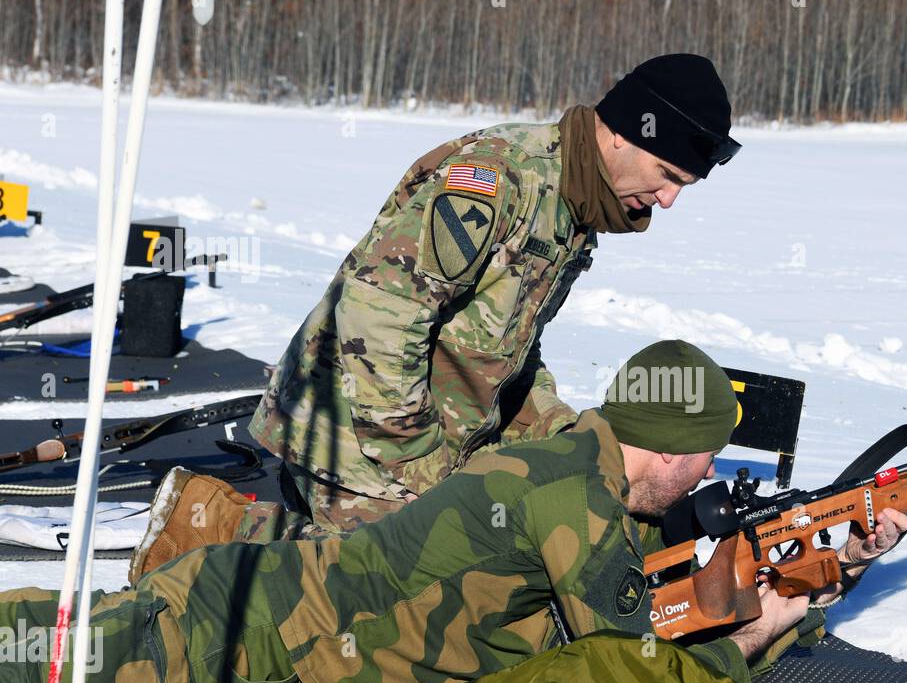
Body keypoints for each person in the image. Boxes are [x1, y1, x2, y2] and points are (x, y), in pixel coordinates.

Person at [0, 341, 907, 683]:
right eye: (708, 452)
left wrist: (822, 571)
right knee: (31, 681)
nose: (710, 475)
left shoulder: (580, 475)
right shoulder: (574, 504)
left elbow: (663, 598)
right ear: (670, 446)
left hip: (277, 625)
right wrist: (768, 620)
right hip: (246, 629)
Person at [129, 54, 743, 582]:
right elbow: (379, 316)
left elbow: (509, 349)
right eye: (668, 176)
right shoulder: (499, 181)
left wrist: (564, 435)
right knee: (405, 588)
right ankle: (199, 528)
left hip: (422, 430)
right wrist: (419, 463)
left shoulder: (571, 213)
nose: (669, 200)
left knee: (499, 543)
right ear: (623, 134)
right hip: (353, 429)